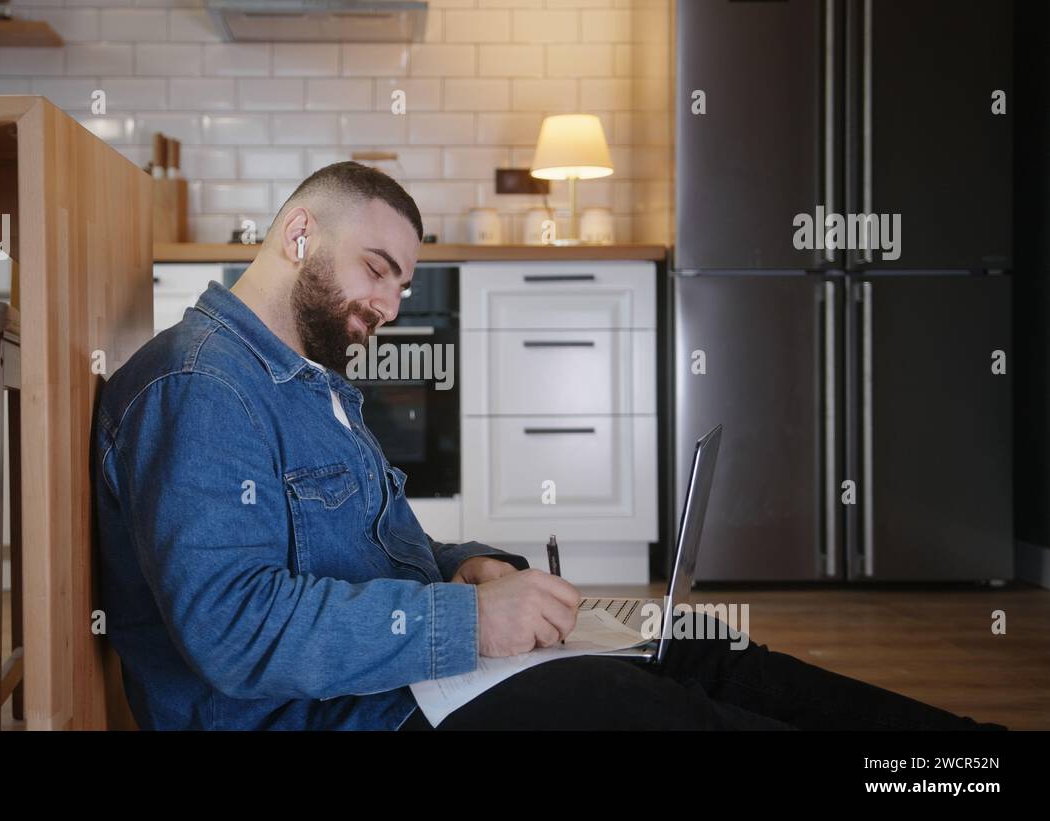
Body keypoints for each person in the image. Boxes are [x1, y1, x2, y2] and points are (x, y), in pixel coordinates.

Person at [93, 161, 1005, 731]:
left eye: (406, 285)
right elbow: (234, 630)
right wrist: (473, 623)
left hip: (410, 670)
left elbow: (371, 552)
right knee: (661, 711)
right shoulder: (201, 386)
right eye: (378, 269)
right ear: (300, 234)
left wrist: (468, 568)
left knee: (695, 642)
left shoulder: (304, 382)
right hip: (343, 712)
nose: (391, 304)